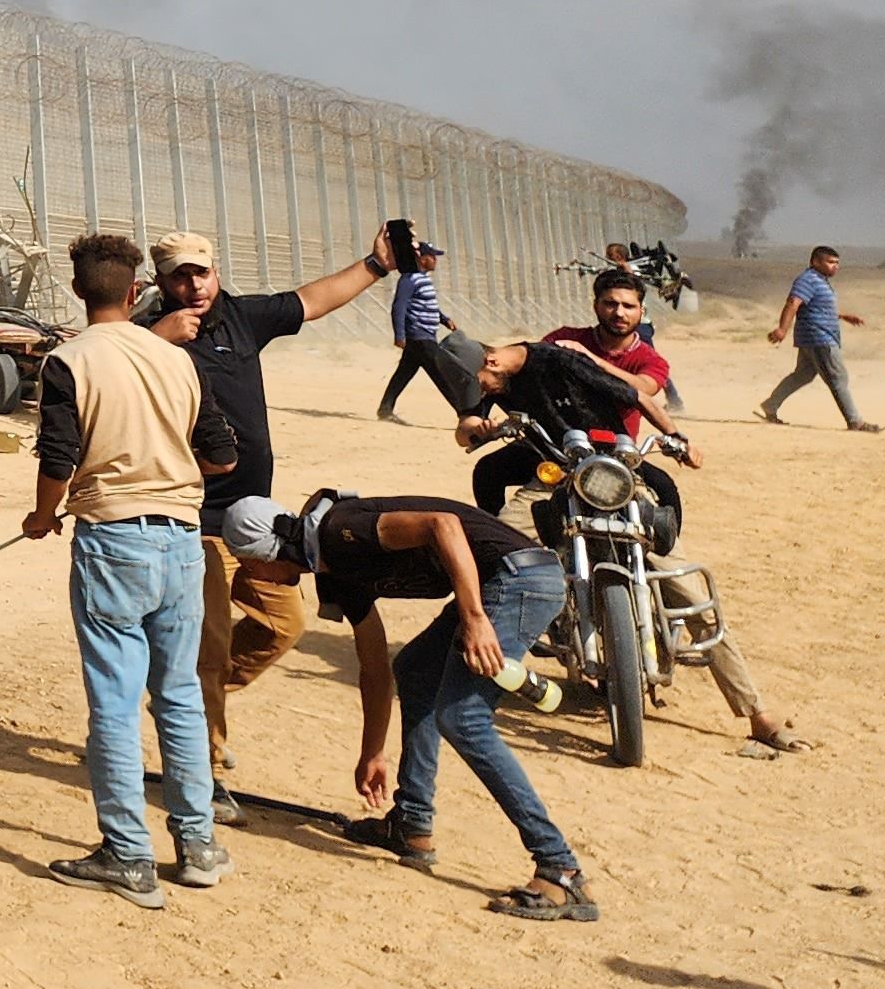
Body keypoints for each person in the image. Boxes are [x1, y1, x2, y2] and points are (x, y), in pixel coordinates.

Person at [223, 486, 594, 921]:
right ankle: (412, 823)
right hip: (501, 580)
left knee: (464, 718)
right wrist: (372, 753)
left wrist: (475, 619)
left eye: (246, 564)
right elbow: (375, 667)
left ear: (261, 554)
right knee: (416, 670)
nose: (249, 575)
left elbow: (444, 525)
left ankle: (560, 868)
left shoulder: (342, 529)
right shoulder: (333, 572)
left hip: (521, 579)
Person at [477, 287, 805, 754]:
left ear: (642, 313)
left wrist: (674, 434)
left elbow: (645, 394)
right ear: (596, 305)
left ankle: (757, 712)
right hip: (561, 465)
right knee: (494, 546)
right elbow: (520, 378)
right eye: (610, 303)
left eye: (628, 306)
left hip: (622, 467)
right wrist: (488, 424)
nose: (619, 312)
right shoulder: (560, 341)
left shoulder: (645, 358)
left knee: (686, 586)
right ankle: (475, 670)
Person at [148, 223, 397, 815]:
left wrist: (377, 265)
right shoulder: (144, 335)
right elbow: (102, 366)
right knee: (208, 647)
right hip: (192, 518)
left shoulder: (240, 317)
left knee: (285, 626)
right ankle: (203, 773)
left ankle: (185, 706)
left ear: (216, 273)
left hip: (254, 519)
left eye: (201, 272)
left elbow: (312, 301)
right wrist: (158, 339)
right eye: (179, 276)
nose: (193, 286)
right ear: (161, 282)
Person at [22, 230, 239, 905]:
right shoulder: (177, 358)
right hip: (181, 541)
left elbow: (58, 459)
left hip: (112, 541)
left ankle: (127, 855)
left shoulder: (70, 360)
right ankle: (198, 845)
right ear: (136, 290)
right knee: (177, 695)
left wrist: (41, 516)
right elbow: (222, 456)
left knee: (114, 705)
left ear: (80, 291)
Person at [759, 245, 879, 431]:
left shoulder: (820, 281)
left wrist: (843, 316)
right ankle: (856, 422)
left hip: (815, 337)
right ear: (815, 261)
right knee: (838, 377)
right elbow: (793, 303)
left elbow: (817, 307)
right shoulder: (808, 280)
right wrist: (782, 329)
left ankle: (770, 405)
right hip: (819, 337)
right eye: (830, 262)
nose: (835, 266)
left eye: (837, 263)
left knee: (802, 376)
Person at [375, 238, 461, 420]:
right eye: (432, 256)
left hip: (424, 335)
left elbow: (426, 304)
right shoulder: (409, 278)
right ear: (421, 258)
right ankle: (466, 413)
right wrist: (399, 335)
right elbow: (399, 307)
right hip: (419, 336)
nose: (435, 260)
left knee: (404, 374)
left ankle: (385, 409)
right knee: (442, 373)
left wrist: (444, 320)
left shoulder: (422, 279)